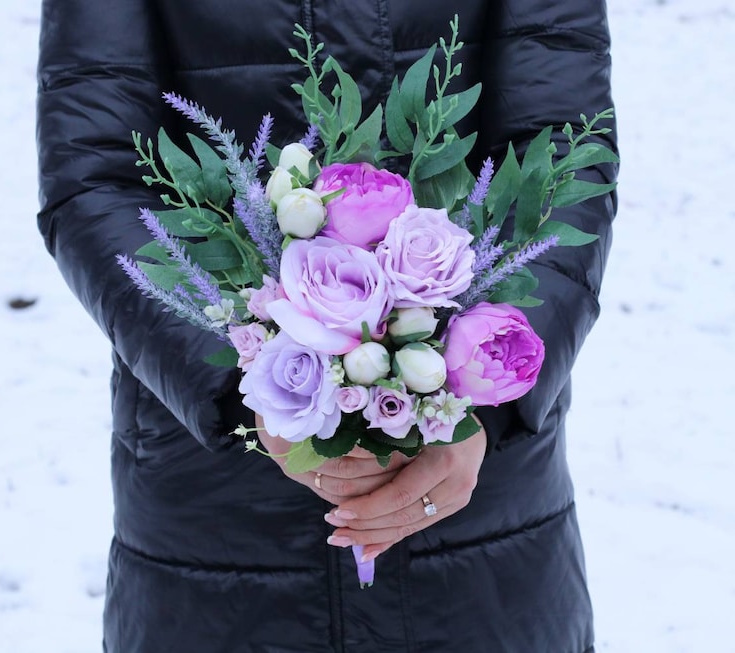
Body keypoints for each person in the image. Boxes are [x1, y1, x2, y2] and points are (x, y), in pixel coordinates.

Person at [36, 2, 617, 651]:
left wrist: (476, 394)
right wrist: (253, 388)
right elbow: (94, 175)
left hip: (474, 490)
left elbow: (563, 158)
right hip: (222, 496)